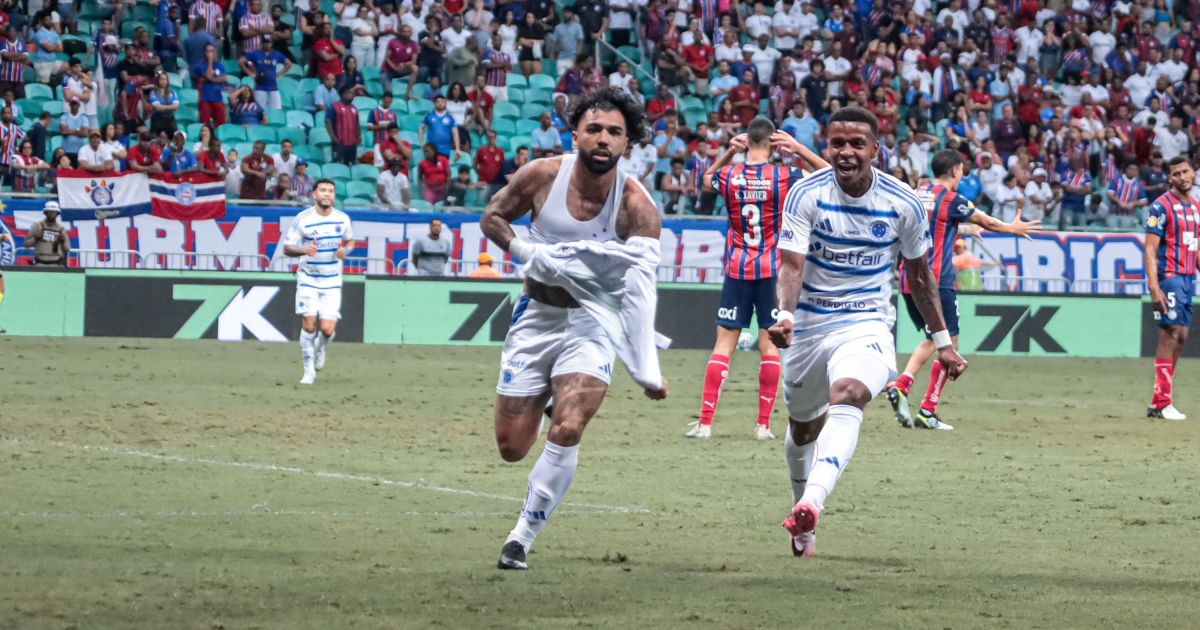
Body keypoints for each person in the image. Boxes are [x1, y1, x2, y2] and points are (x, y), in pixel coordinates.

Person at [480, 86, 666, 571]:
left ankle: (521, 536)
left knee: (568, 425)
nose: (603, 139)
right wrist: (525, 252)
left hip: (593, 322)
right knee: (511, 448)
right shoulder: (542, 175)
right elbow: (493, 216)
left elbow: (642, 292)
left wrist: (646, 365)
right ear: (576, 133)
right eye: (594, 129)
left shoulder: (637, 206)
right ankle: (542, 398)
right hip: (536, 317)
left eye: (614, 132)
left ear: (628, 142)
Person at [768, 107, 968, 557]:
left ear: (875, 149)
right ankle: (801, 509)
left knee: (851, 391)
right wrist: (785, 314)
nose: (846, 152)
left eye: (857, 144)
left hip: (867, 323)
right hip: (810, 327)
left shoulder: (903, 202)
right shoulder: (804, 194)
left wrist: (944, 345)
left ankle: (812, 503)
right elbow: (791, 265)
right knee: (803, 429)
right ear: (826, 147)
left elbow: (920, 278)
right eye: (837, 143)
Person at [688, 116, 827, 440]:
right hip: (772, 271)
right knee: (769, 348)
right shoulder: (784, 175)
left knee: (724, 345)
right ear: (773, 143)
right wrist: (799, 149)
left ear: (746, 141)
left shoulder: (730, 174)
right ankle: (763, 426)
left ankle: (705, 424)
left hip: (737, 268)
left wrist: (726, 152)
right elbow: (827, 175)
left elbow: (705, 180)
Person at [885, 150, 1041, 430]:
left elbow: (929, 227)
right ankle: (927, 409)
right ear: (955, 170)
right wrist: (1012, 228)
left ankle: (904, 384)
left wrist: (964, 232)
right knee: (949, 346)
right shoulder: (952, 199)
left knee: (933, 339)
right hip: (936, 282)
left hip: (908, 279)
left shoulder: (915, 193)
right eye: (962, 171)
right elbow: (988, 221)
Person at [280, 179, 354, 385]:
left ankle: (320, 347)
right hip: (308, 279)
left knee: (328, 330)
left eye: (331, 191)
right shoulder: (302, 219)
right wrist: (304, 250)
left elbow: (350, 241)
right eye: (322, 190)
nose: (327, 194)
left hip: (332, 281)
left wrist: (345, 251)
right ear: (314, 194)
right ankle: (308, 371)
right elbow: (287, 248)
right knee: (309, 324)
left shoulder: (342, 219)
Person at [1143, 157, 1200, 420]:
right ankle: (1160, 402)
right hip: (1170, 276)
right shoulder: (1160, 207)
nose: (1182, 177)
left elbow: (1195, 248)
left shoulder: (1197, 207)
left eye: (1186, 171)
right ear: (1170, 179)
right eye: (1176, 173)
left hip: (1189, 278)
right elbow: (1150, 249)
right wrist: (1154, 286)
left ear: (1193, 172)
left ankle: (1162, 398)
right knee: (1169, 334)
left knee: (1182, 336)